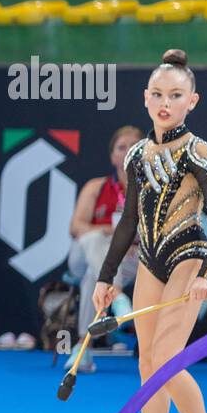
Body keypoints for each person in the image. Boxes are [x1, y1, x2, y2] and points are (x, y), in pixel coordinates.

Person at [94, 49, 207, 413]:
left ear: (192, 101)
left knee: (169, 360)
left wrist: (206, 272)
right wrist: (106, 275)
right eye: (158, 94)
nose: (165, 103)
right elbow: (128, 221)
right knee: (148, 362)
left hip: (187, 257)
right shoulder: (136, 154)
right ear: (145, 97)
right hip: (151, 261)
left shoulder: (197, 151)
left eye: (175, 95)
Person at [64, 125, 143, 371]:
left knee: (93, 277)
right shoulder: (95, 187)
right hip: (85, 254)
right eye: (121, 147)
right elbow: (76, 227)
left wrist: (128, 239)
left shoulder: (149, 192)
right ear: (112, 156)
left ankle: (82, 348)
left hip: (128, 258)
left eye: (134, 146)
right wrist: (112, 232)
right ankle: (117, 294)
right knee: (92, 240)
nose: (128, 151)